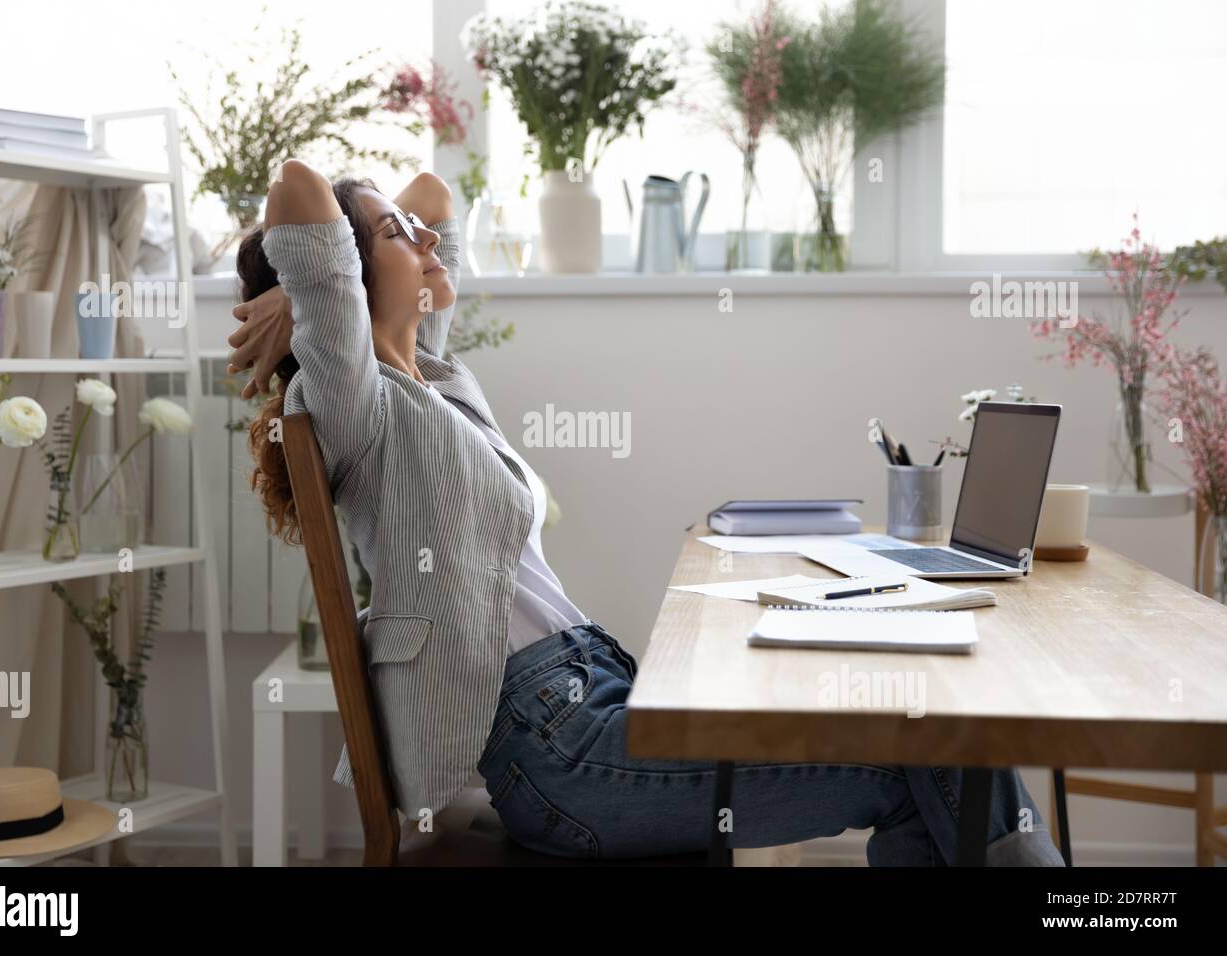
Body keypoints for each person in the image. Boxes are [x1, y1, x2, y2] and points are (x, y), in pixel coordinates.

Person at [228, 158, 1063, 866]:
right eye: (392, 237)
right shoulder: (354, 401)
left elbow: (435, 194)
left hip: (590, 694)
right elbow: (299, 186)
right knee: (926, 756)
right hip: (554, 750)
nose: (429, 238)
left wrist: (372, 243)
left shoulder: (434, 382)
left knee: (935, 736)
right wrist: (308, 298)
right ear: (340, 281)